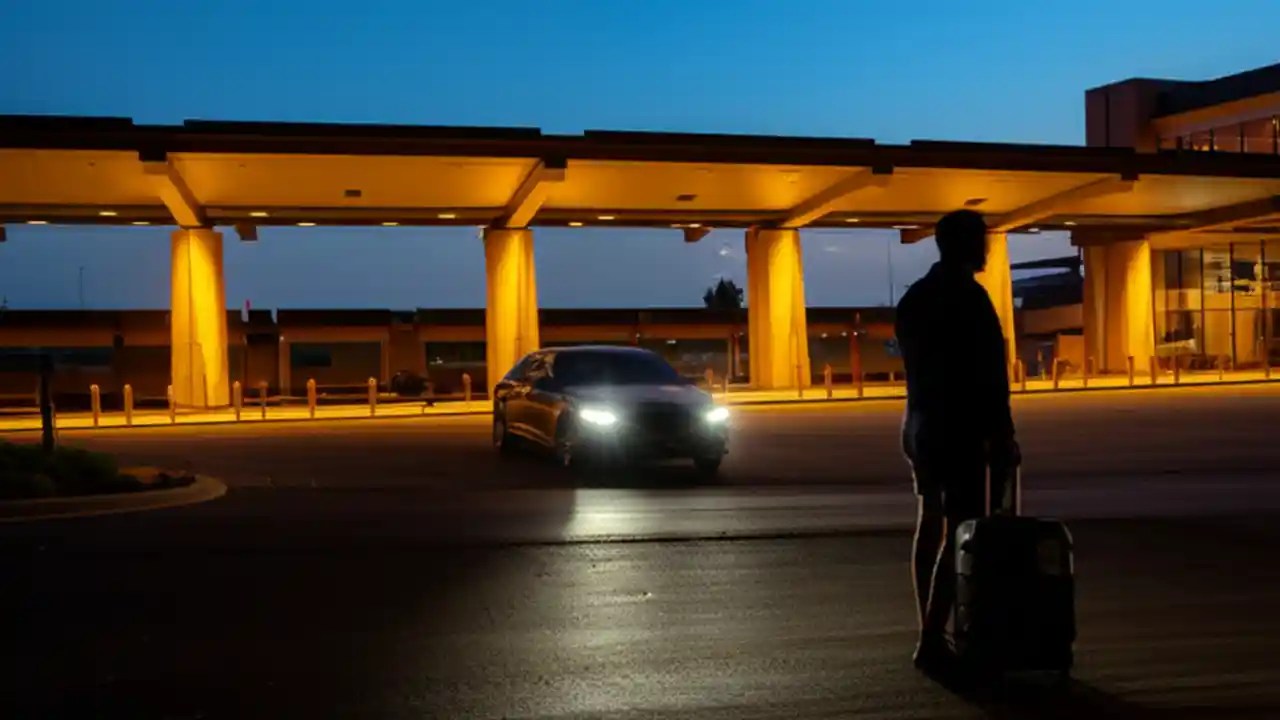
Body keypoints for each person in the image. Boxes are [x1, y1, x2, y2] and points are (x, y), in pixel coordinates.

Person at [895, 209, 1019, 670]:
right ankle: (933, 637)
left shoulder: (915, 299)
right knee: (964, 527)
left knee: (931, 520)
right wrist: (1002, 434)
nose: (986, 248)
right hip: (959, 429)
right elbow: (989, 376)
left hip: (920, 426)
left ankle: (927, 626)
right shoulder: (970, 299)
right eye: (981, 240)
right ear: (965, 245)